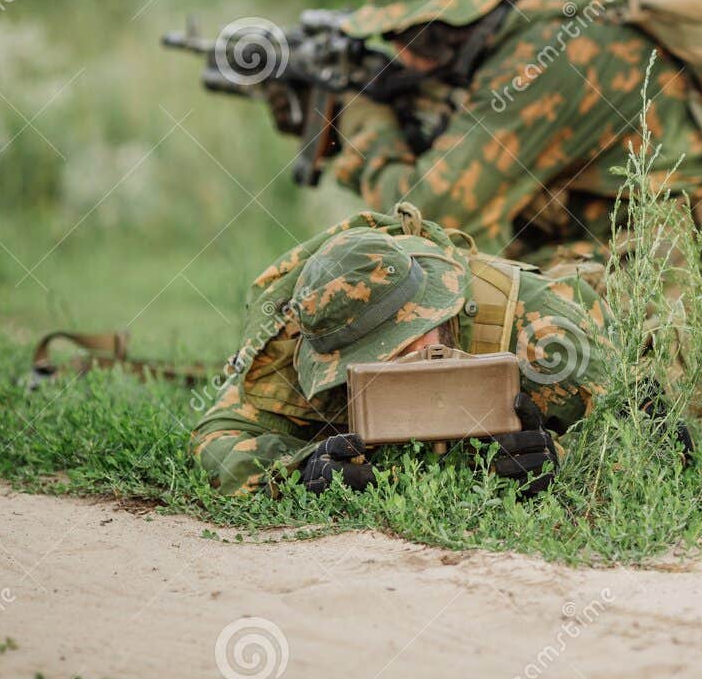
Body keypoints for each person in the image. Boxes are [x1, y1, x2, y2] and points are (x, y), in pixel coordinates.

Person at [327, 0, 702, 275]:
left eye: (412, 37)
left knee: (491, 310)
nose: (402, 54)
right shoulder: (537, 13)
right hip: (639, 226)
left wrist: (366, 122)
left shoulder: (539, 62)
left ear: (457, 23)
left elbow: (430, 220)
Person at [189, 203, 611, 497]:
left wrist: (558, 460)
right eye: (374, 358)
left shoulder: (540, 333)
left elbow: (651, 438)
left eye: (405, 341)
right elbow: (217, 437)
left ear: (438, 313)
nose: (400, 364)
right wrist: (299, 470)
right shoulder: (317, 332)